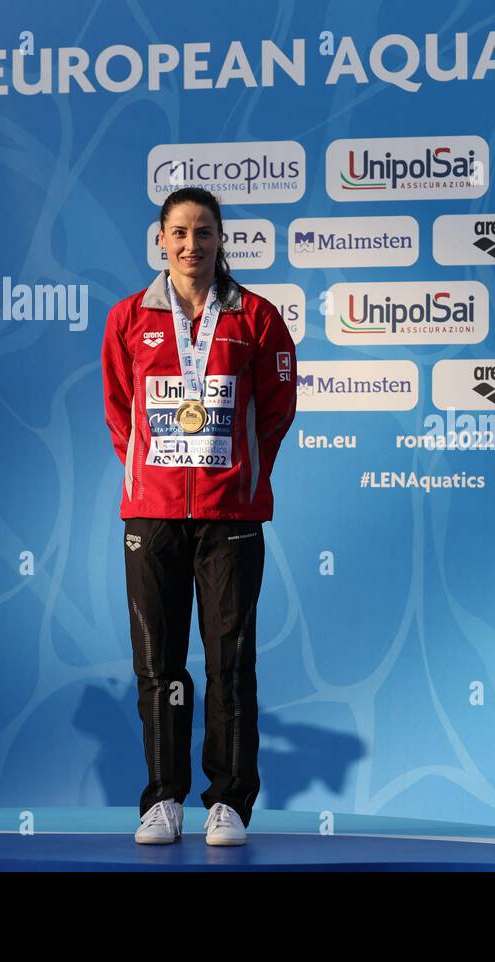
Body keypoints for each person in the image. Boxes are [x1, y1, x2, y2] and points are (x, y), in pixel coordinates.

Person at [100, 186, 296, 845]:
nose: (192, 245)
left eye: (204, 232)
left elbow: (276, 409)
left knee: (229, 661)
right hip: (151, 516)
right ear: (161, 241)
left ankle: (229, 803)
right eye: (179, 232)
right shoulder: (128, 318)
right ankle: (163, 799)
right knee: (159, 664)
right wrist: (154, 473)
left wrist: (233, 471)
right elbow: (120, 411)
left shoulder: (257, 319)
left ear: (220, 240)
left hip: (230, 516)